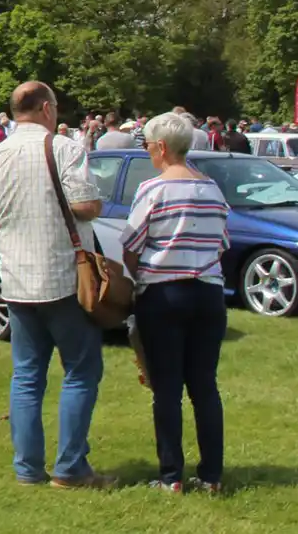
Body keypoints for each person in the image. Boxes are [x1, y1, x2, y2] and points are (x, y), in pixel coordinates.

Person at [0, 81, 112, 489]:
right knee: (81, 371)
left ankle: (27, 469)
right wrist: (96, 204)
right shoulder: (64, 148)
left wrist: (5, 264)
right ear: (47, 109)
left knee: (27, 376)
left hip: (17, 283)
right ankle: (71, 468)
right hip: (65, 279)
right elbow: (85, 206)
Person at [122, 112, 228, 494]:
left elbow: (131, 245)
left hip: (164, 293)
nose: (148, 152)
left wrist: (137, 277)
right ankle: (212, 475)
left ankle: (171, 476)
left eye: (148, 145)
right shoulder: (213, 189)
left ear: (161, 148)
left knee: (166, 388)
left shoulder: (153, 190)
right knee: (204, 387)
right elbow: (222, 243)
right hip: (208, 293)